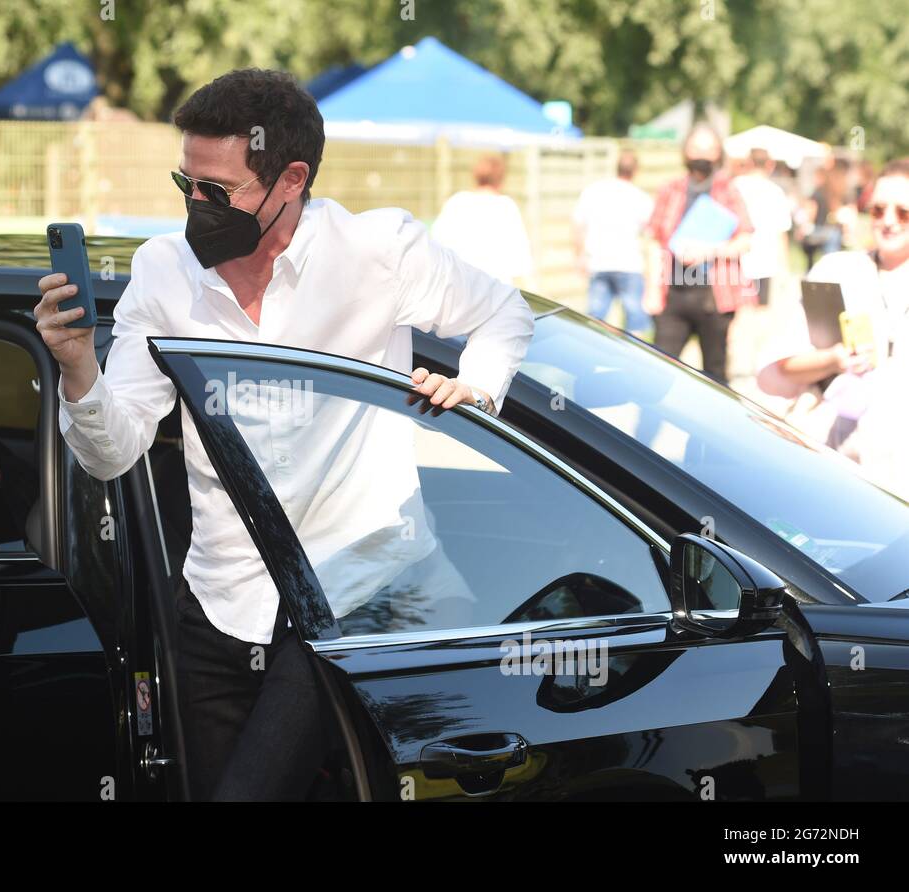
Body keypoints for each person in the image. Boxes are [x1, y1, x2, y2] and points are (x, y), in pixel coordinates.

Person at [32, 69, 534, 801]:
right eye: (187, 184)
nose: (196, 206)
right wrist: (79, 368)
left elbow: (504, 316)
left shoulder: (377, 252)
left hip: (355, 589)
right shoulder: (164, 272)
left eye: (218, 191)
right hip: (218, 605)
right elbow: (114, 452)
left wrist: (477, 388)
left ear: (290, 179)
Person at [757, 158, 909, 495]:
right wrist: (837, 359)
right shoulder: (839, 271)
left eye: (903, 213)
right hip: (835, 472)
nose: (888, 221)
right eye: (878, 209)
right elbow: (779, 368)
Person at [645, 123, 755, 385]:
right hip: (674, 293)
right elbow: (654, 239)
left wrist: (711, 251)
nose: (702, 154)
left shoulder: (728, 191)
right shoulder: (670, 189)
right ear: (685, 151)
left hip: (713, 297)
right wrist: (650, 288)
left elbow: (746, 239)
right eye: (696, 147)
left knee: (715, 376)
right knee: (656, 371)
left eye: (709, 148)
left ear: (718, 153)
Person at [573, 150, 655, 334]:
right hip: (629, 265)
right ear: (636, 171)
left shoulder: (594, 191)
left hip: (599, 262)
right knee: (635, 324)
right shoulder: (640, 197)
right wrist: (651, 272)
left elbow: (578, 225)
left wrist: (579, 256)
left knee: (594, 323)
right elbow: (651, 236)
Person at [431, 154, 533, 286]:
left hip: (458, 289)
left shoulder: (457, 202)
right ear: (501, 179)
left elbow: (436, 245)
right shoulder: (505, 207)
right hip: (494, 293)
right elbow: (521, 260)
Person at [732, 148, 793, 307]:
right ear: (770, 165)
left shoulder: (733, 187)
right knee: (761, 315)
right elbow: (782, 234)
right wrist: (785, 270)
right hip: (766, 263)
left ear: (748, 163)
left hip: (737, 262)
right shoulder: (776, 192)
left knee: (738, 317)